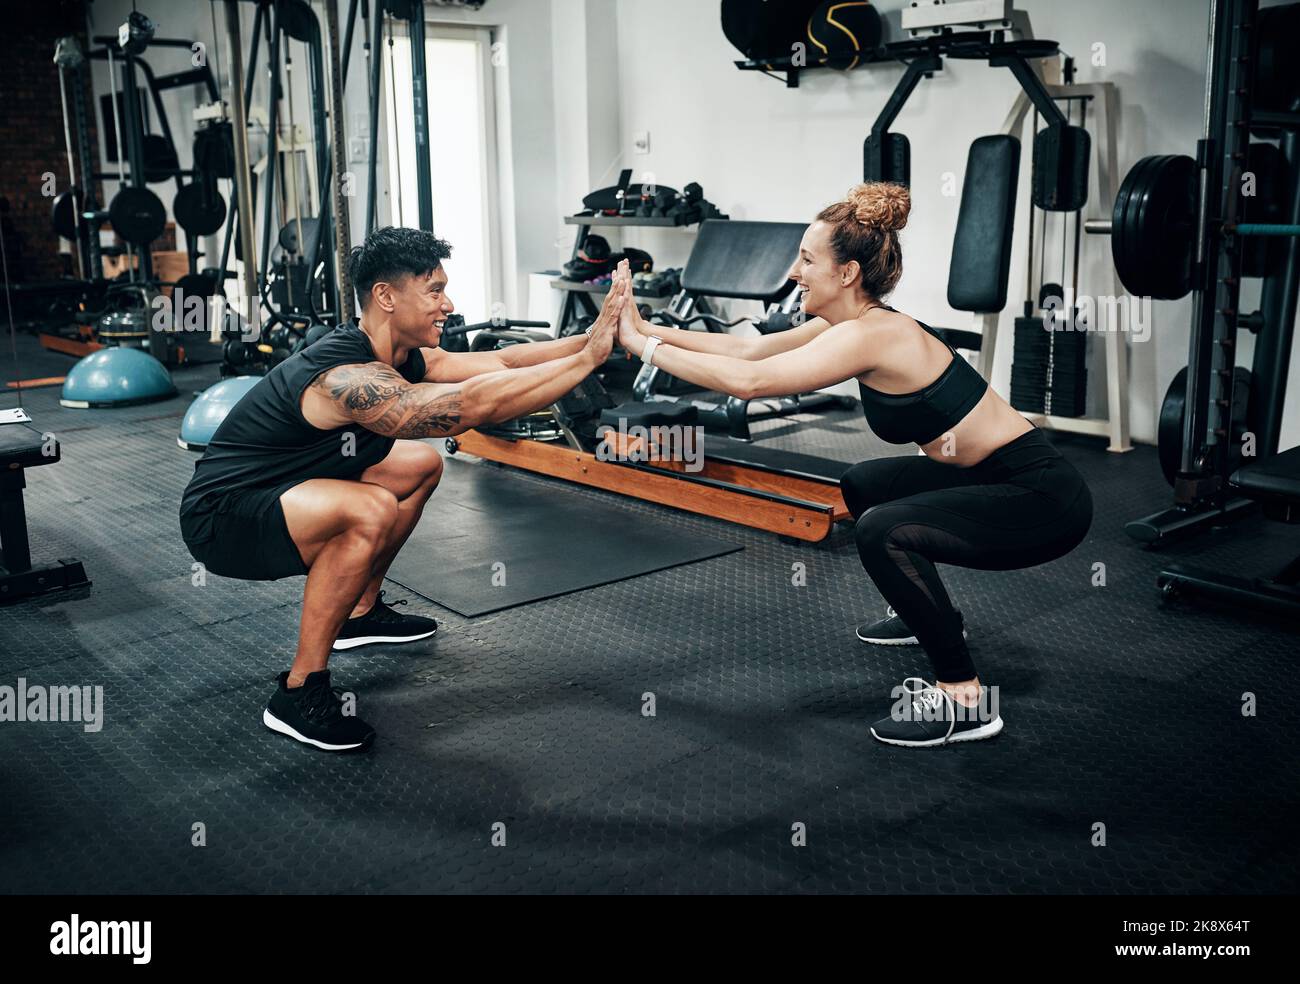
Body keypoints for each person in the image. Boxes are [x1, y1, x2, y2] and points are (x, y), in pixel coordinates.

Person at [612, 182, 1093, 747]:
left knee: (883, 530)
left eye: (807, 259)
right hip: (986, 472)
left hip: (1041, 496)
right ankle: (930, 617)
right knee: (867, 483)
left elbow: (751, 383)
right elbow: (747, 352)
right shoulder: (850, 324)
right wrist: (643, 329)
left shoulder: (875, 336)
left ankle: (966, 700)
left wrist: (642, 350)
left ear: (846, 274)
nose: (793, 271)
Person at [181, 226, 626, 752]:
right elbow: (466, 408)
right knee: (368, 509)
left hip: (283, 488)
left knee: (416, 466)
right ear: (386, 297)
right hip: (223, 516)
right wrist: (586, 360)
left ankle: (360, 614)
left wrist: (603, 335)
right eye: (434, 291)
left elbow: (502, 363)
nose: (448, 304)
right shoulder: (344, 375)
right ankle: (299, 692)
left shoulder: (399, 355)